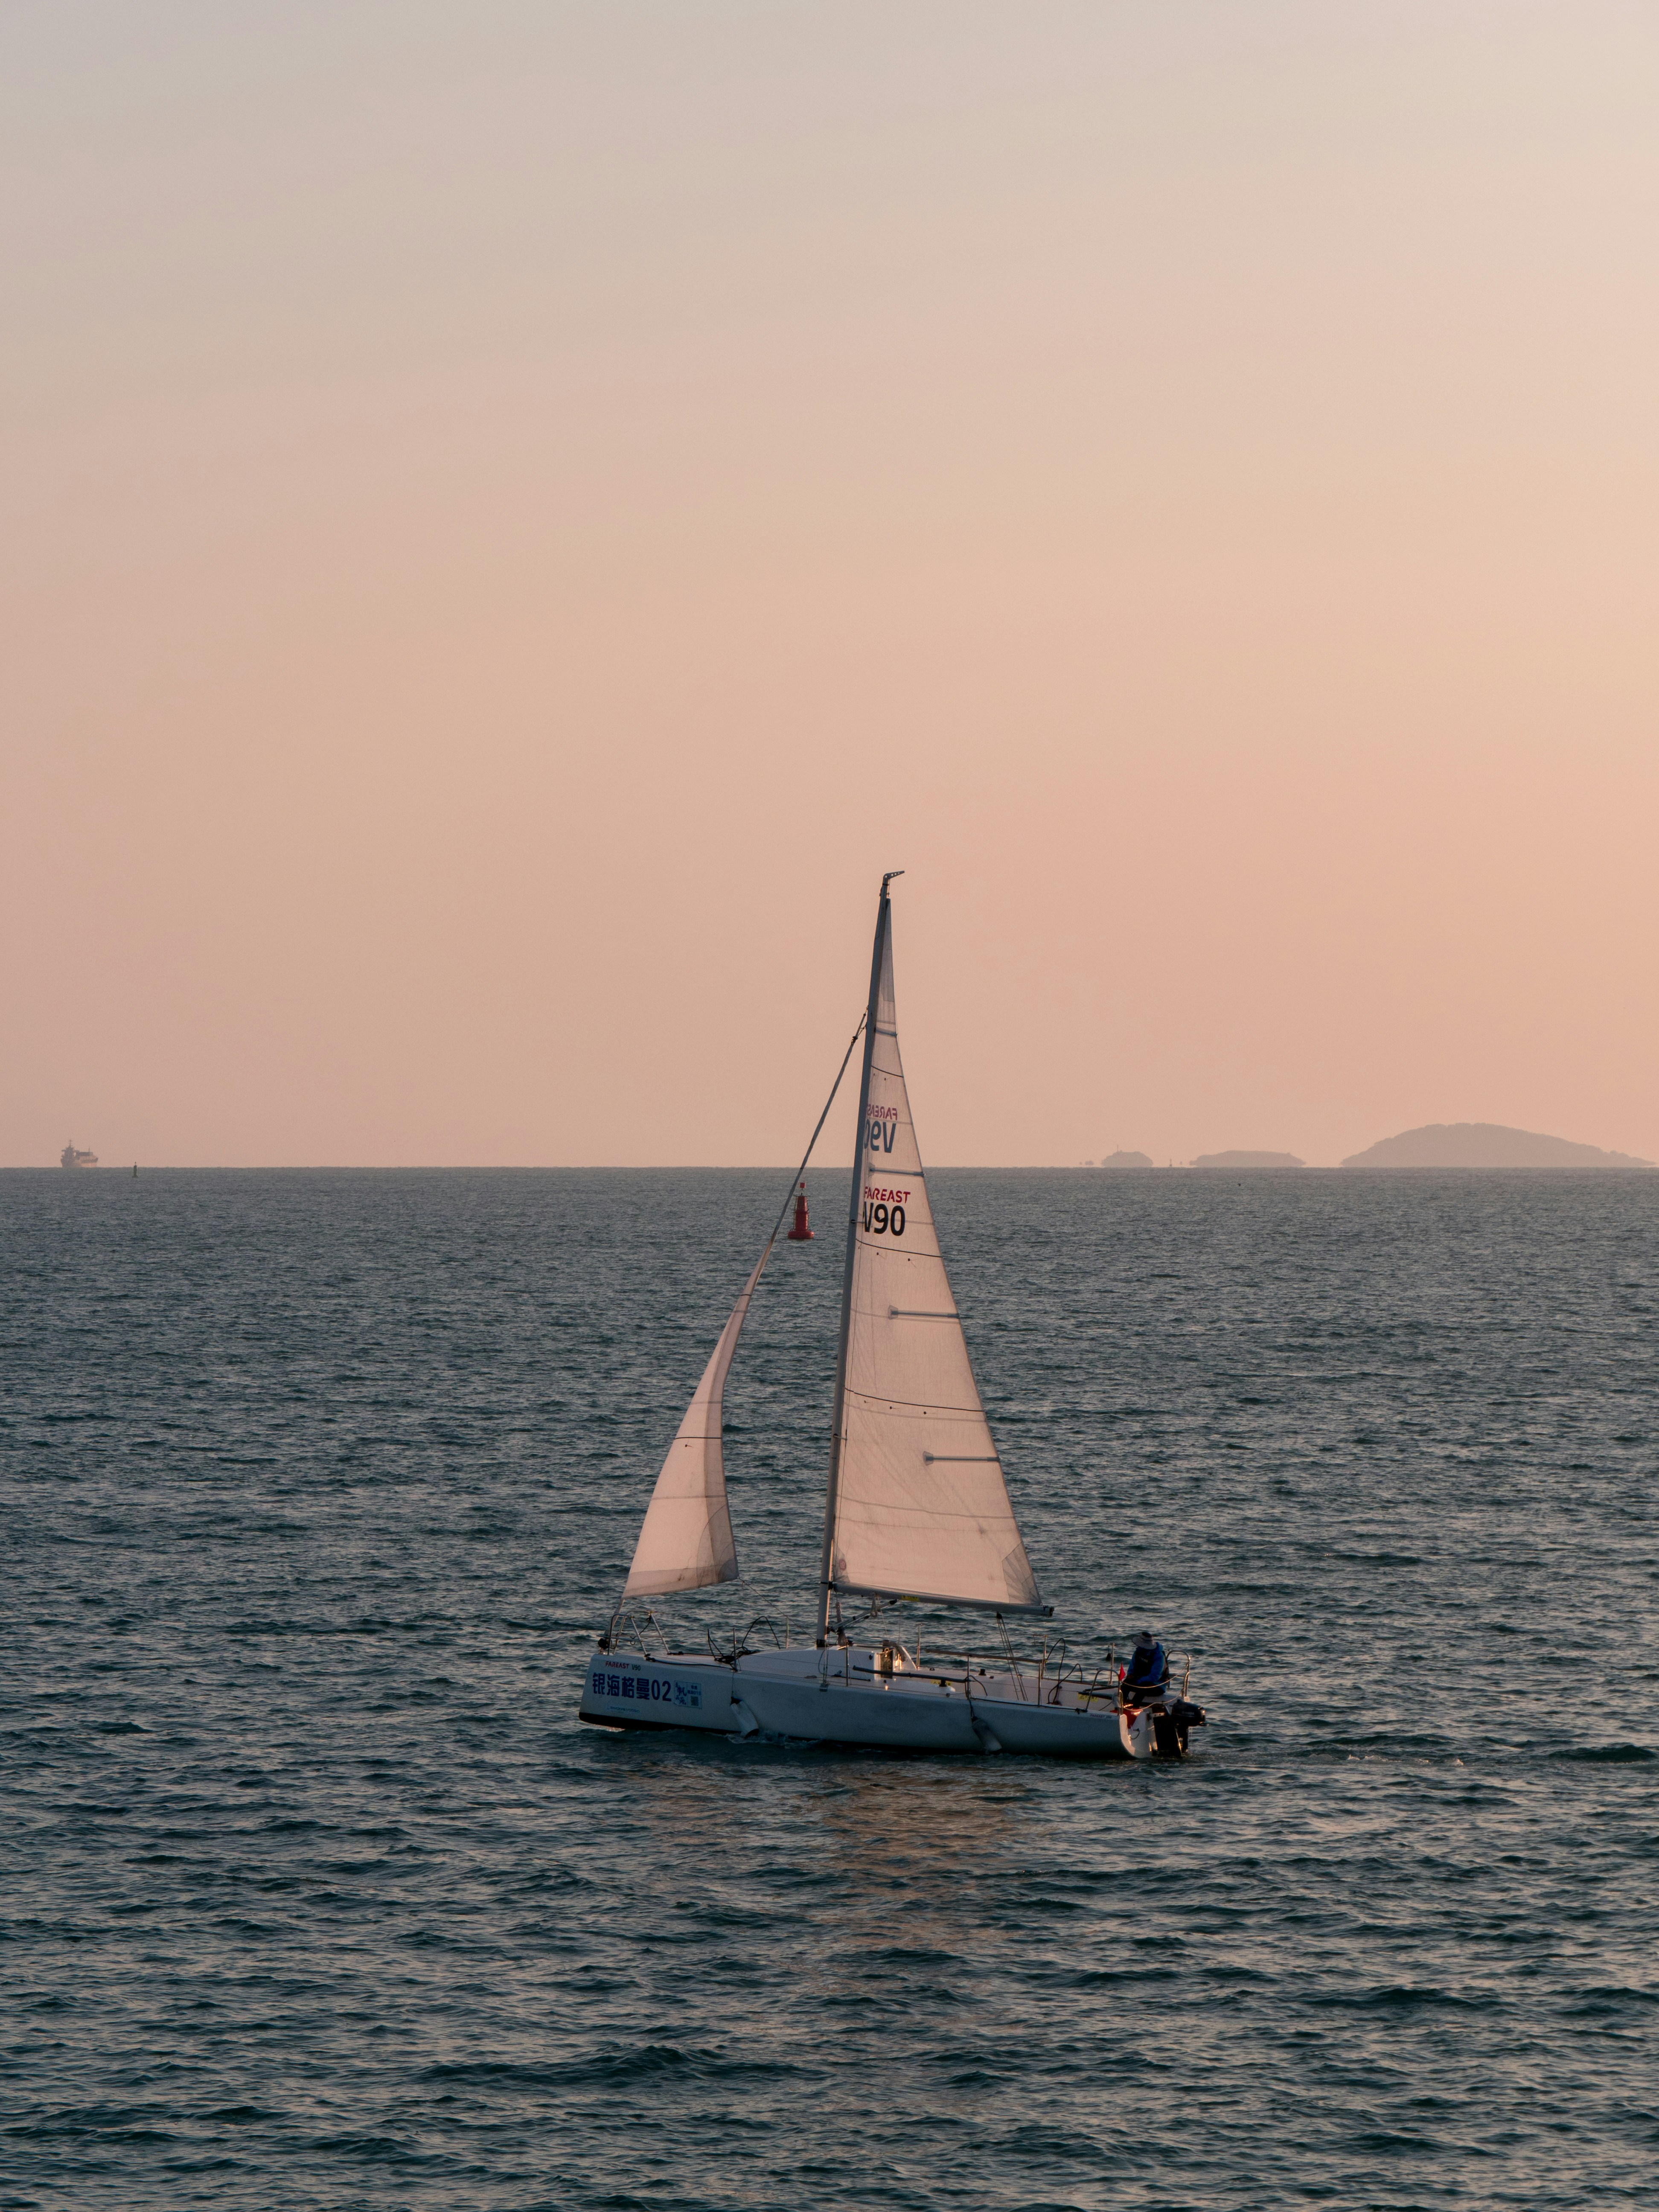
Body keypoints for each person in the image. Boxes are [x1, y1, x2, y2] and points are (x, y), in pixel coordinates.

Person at [1122, 1630, 1167, 1697]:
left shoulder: (1159, 1656)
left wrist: (1139, 1681)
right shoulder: (1137, 1652)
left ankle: (1136, 1707)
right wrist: (1131, 1676)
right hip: (1139, 1680)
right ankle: (1120, 1705)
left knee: (1143, 1688)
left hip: (1157, 1685)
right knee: (1125, 1685)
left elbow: (1155, 1676)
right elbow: (1131, 1669)